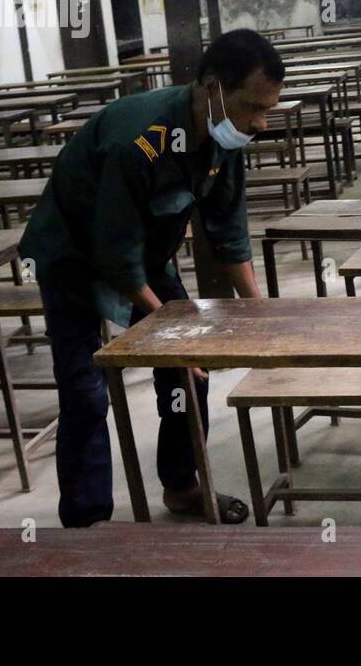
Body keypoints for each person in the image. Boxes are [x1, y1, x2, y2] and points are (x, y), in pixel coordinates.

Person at [19, 29, 285, 527]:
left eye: (268, 108)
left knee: (189, 369)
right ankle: (86, 522)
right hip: (72, 257)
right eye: (253, 106)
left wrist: (260, 318)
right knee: (85, 391)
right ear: (212, 88)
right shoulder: (138, 140)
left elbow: (228, 234)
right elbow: (114, 256)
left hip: (144, 255)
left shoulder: (225, 137)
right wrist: (167, 326)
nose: (260, 122)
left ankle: (182, 488)